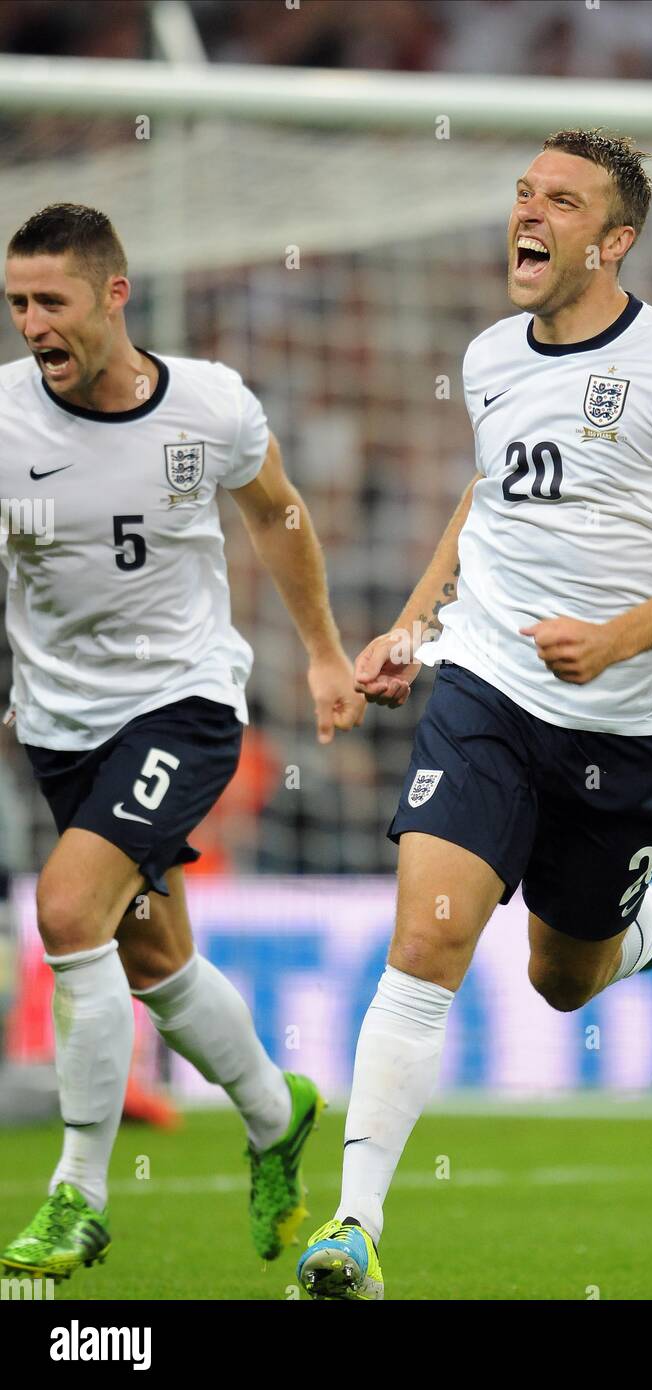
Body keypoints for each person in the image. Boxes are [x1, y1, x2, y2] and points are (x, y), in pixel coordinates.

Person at [297, 129, 652, 1300]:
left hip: (627, 719)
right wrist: (416, 624)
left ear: (613, 242)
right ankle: (352, 1226)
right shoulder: (490, 356)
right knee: (427, 940)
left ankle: (643, 927)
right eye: (523, 192)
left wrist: (614, 640)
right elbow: (489, 492)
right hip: (490, 691)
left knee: (561, 979)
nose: (530, 212)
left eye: (562, 200)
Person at [0, 203, 364, 1280]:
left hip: (183, 704)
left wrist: (325, 654)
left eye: (50, 301)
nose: (31, 324)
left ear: (115, 294)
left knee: (67, 907)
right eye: (16, 303)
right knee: (151, 957)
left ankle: (79, 1193)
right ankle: (274, 1112)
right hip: (60, 727)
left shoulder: (208, 406)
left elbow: (279, 514)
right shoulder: (5, 418)